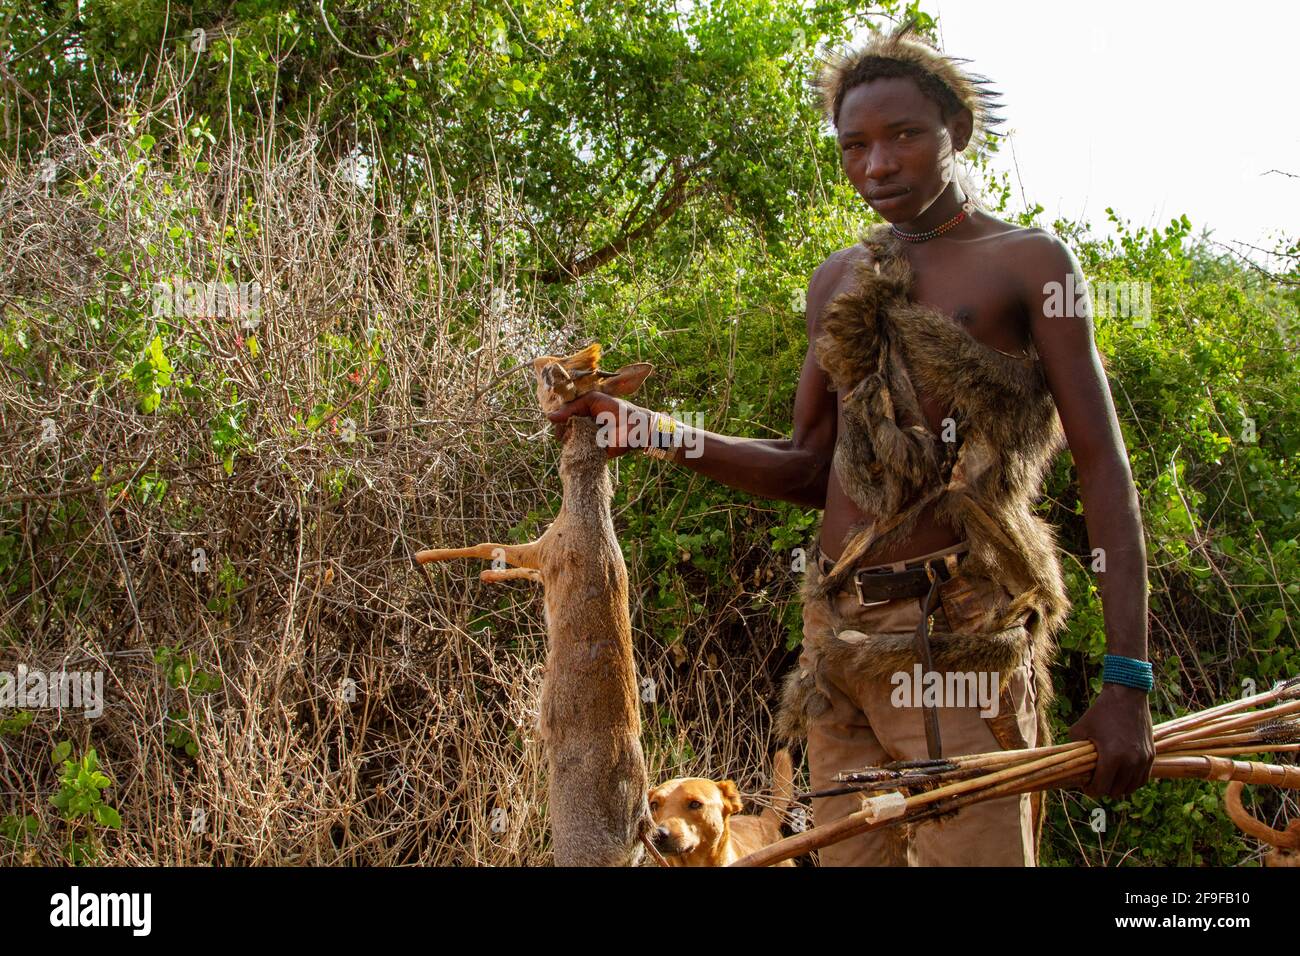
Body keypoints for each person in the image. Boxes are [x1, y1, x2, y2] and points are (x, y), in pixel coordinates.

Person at [546, 20, 1154, 866]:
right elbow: (806, 465)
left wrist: (1129, 678)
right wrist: (643, 428)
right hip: (840, 638)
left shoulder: (1030, 264)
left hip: (958, 637)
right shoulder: (839, 280)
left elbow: (1102, 465)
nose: (877, 164)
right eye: (854, 144)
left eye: (904, 136)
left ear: (956, 133)